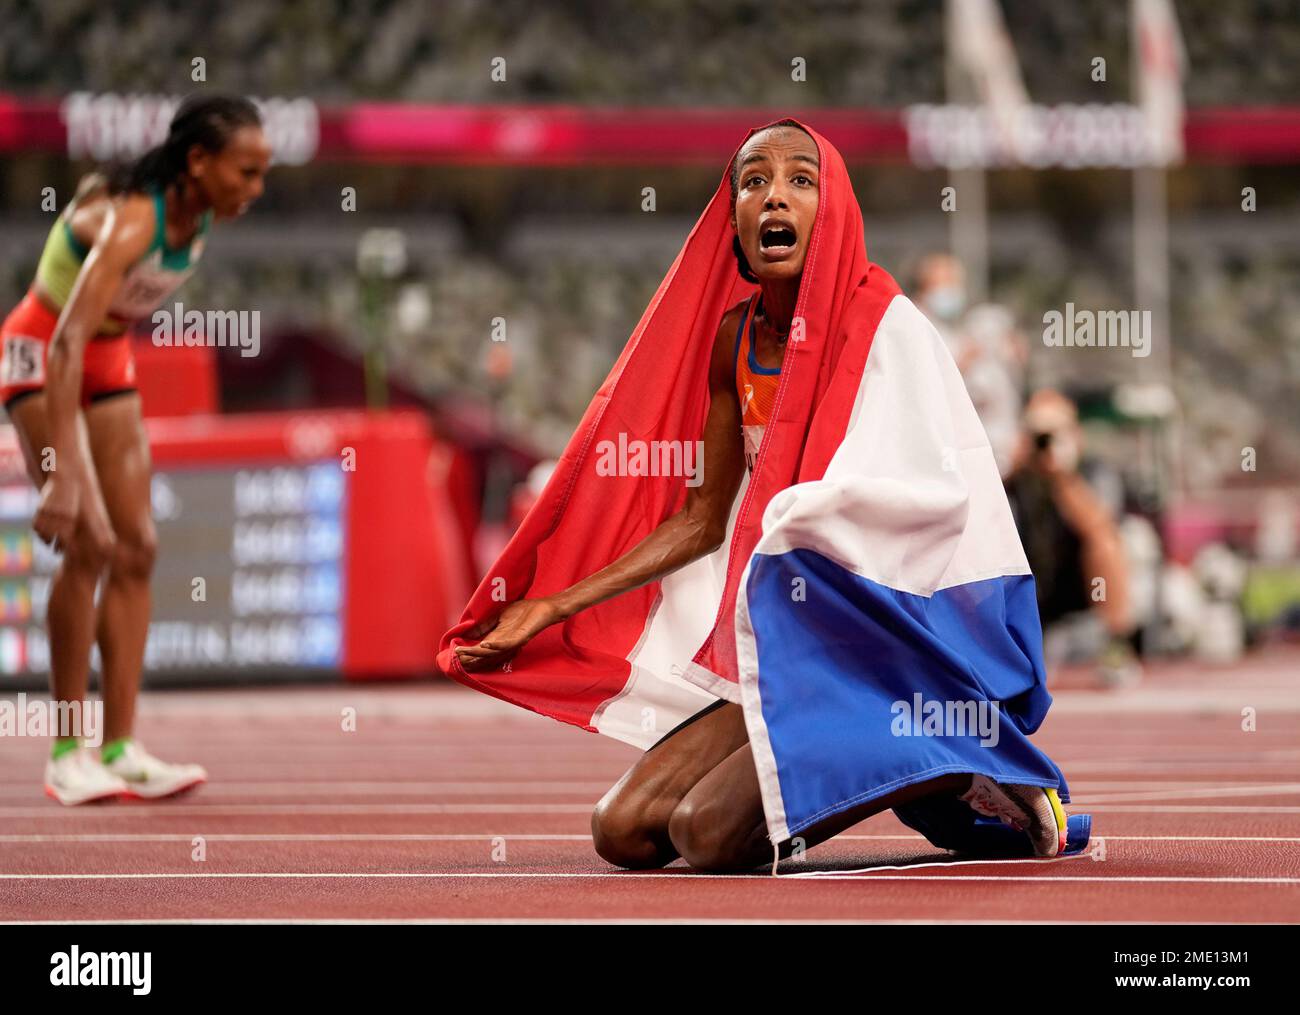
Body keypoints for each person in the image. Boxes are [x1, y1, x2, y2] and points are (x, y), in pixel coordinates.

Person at [445, 119, 1079, 870]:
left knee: (709, 838)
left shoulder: (888, 327)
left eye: (800, 180)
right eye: (754, 181)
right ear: (736, 222)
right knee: (621, 829)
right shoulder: (733, 340)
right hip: (784, 645)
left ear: (832, 209)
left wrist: (798, 520)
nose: (774, 195)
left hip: (877, 647)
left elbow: (933, 494)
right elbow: (701, 520)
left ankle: (940, 758)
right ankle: (904, 754)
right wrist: (553, 605)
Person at [0, 94, 272, 804]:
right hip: (41, 351)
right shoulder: (132, 223)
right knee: (87, 541)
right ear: (197, 161)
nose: (255, 189)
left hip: (107, 356)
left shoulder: (200, 215)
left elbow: (99, 336)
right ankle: (67, 751)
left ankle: (119, 747)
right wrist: (58, 475)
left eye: (261, 173)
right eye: (246, 172)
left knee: (138, 545)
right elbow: (61, 341)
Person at [1004, 389, 1142, 686]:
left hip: (1079, 591)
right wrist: (1013, 467)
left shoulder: (1093, 473)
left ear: (1074, 434)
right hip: (1029, 590)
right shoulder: (1016, 478)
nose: (1045, 444)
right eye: (1039, 434)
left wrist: (1062, 477)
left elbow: (1099, 526)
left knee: (1106, 544)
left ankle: (1116, 646)